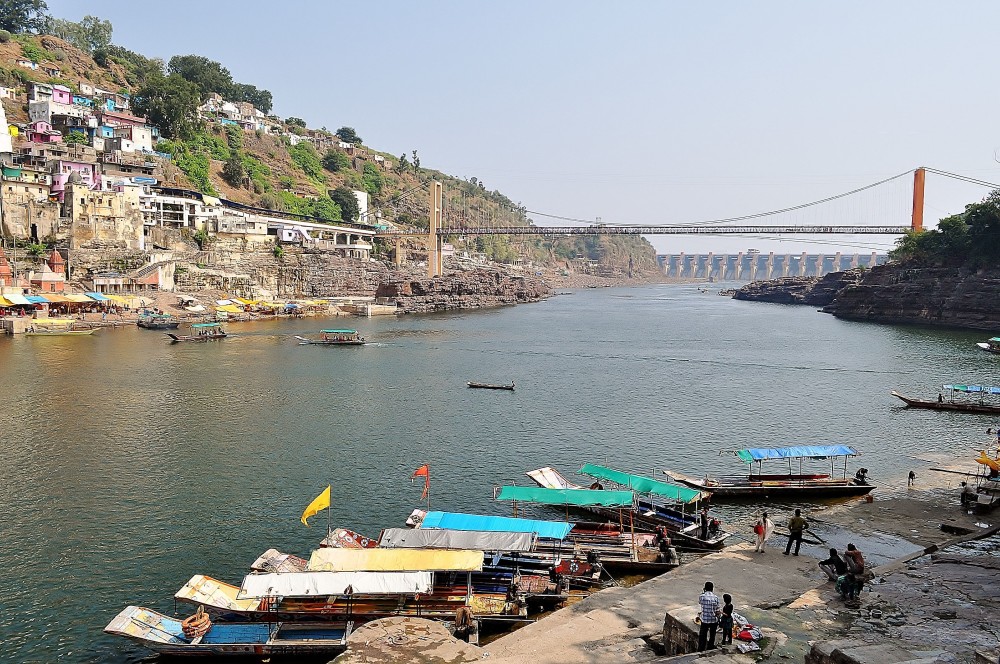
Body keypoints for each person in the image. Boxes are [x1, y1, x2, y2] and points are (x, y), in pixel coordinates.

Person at [697, 581, 721, 651]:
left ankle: (701, 648)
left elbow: (700, 603)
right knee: (712, 635)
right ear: (712, 588)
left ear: (705, 588)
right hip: (713, 620)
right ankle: (710, 647)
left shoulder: (702, 596)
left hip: (705, 619)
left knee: (703, 636)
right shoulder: (716, 598)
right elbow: (717, 610)